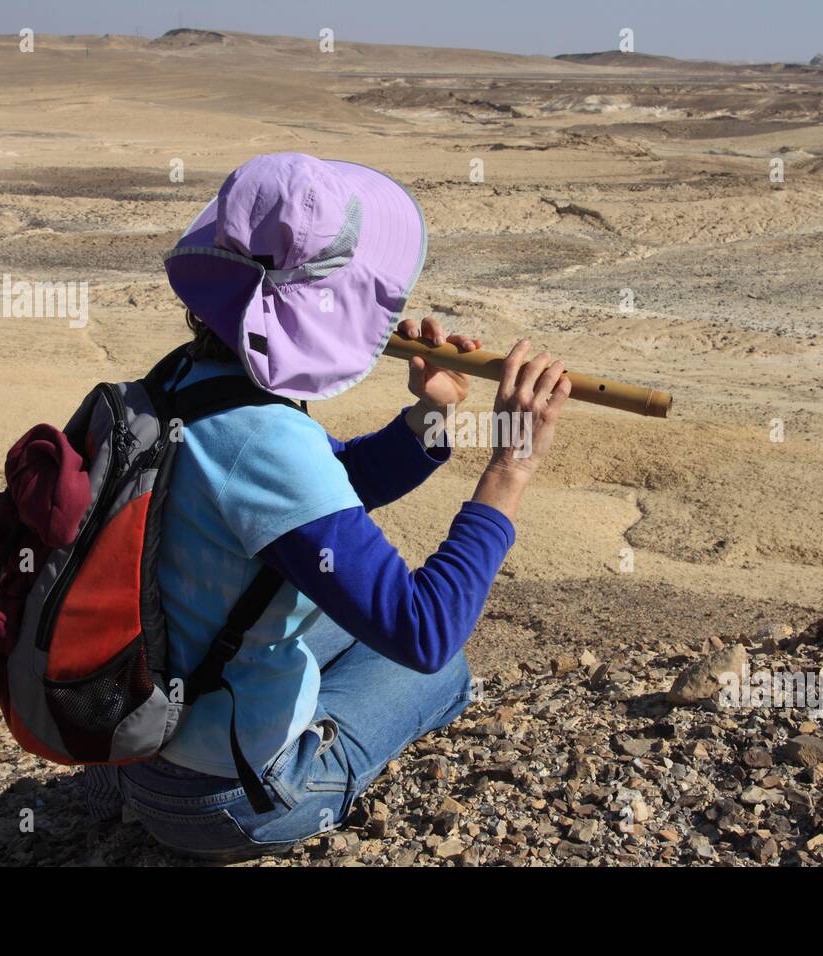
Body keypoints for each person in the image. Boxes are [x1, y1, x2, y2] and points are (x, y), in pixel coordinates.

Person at [83, 152, 570, 860]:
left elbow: (312, 501)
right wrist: (511, 465)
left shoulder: (177, 385)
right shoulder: (270, 441)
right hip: (223, 805)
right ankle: (293, 773)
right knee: (441, 668)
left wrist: (428, 418)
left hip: (127, 746)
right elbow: (424, 630)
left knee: (337, 626)